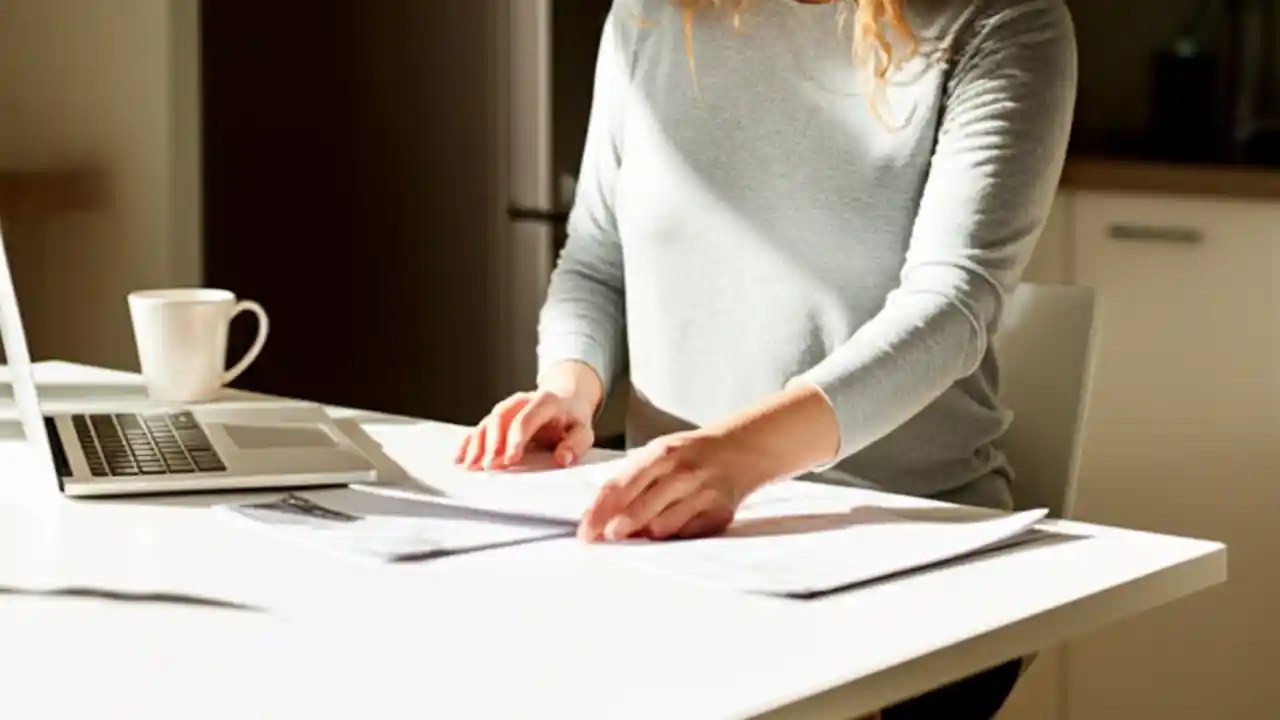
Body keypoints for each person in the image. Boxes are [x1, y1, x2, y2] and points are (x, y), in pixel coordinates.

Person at [458, 0, 1076, 716]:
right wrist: (570, 386)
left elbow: (952, 307)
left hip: (903, 553)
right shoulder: (650, 15)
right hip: (668, 546)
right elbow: (600, 259)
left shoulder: (1002, 21)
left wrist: (735, 458)